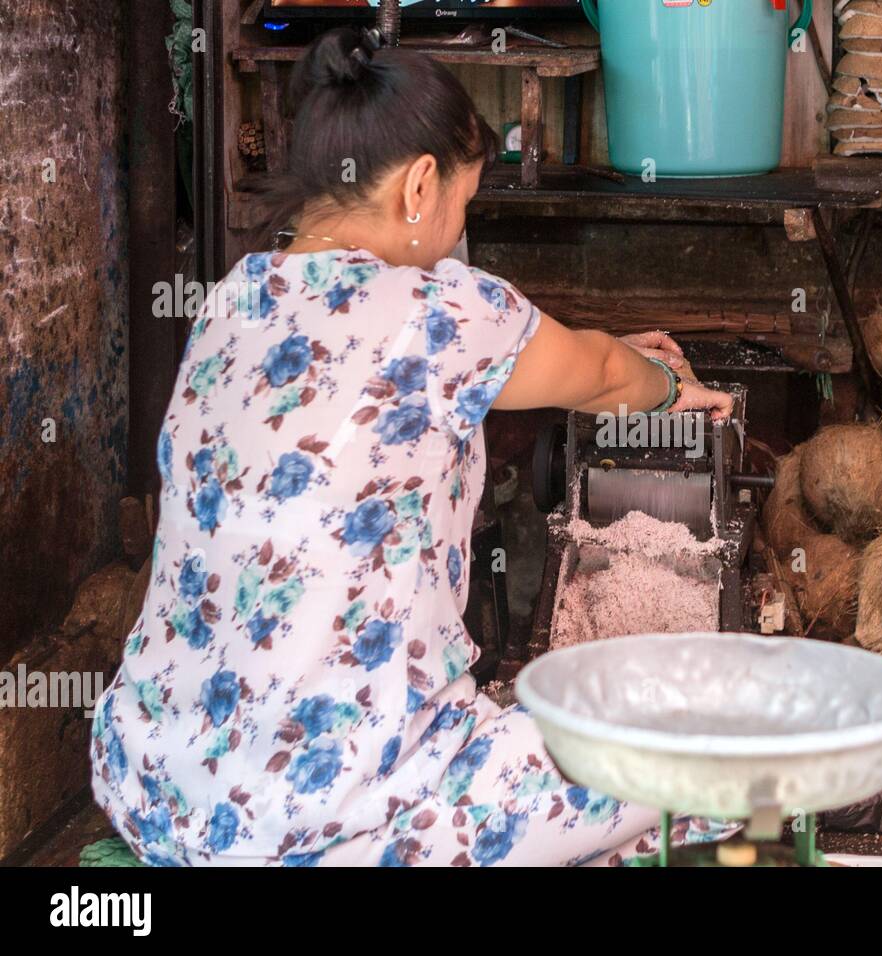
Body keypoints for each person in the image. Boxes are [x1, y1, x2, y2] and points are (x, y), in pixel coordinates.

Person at [90, 27, 734, 866]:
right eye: (465, 202)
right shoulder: (441, 309)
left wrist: (605, 355)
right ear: (420, 186)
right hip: (328, 817)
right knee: (707, 744)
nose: (459, 225)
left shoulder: (226, 304)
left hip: (153, 785)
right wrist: (669, 382)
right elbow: (607, 373)